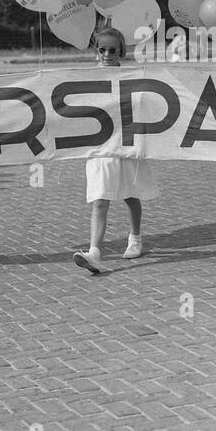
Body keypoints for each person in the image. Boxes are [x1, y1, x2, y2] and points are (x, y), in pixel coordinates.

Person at [73, 27, 157, 274]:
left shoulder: (132, 75)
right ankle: (95, 253)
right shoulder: (86, 77)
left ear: (121, 50)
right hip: (100, 146)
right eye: (102, 49)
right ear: (96, 51)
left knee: (131, 194)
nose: (107, 54)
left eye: (112, 49)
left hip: (127, 141)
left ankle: (135, 238)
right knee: (100, 198)